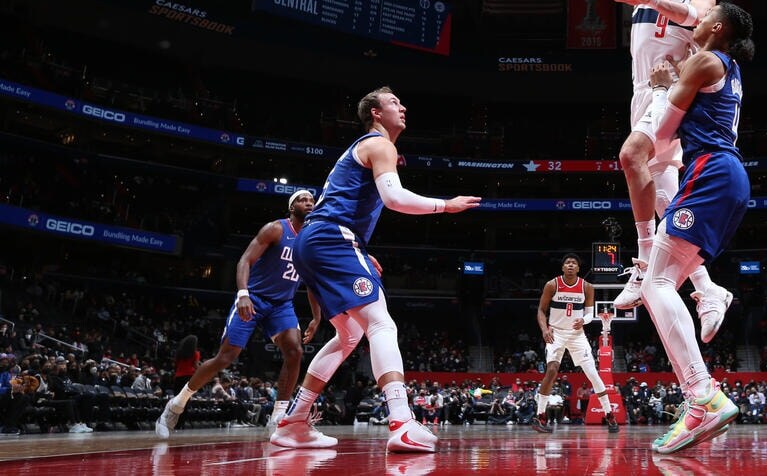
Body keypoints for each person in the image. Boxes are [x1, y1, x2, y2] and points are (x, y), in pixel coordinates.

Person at [269, 86, 480, 454]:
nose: (403, 106)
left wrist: (360, 252)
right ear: (376, 113)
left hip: (321, 241)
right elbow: (394, 199)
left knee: (349, 335)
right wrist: (445, 206)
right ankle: (401, 421)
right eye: (394, 102)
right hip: (331, 238)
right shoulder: (379, 144)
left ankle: (293, 422)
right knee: (381, 323)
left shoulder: (367, 149)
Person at [601, 0, 734, 344]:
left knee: (630, 156)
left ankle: (639, 263)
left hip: (674, 98)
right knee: (666, 201)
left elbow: (700, 18)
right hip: (642, 94)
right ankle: (706, 288)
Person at [631, 2, 755, 454]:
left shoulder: (704, 59)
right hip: (724, 177)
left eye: (704, 16)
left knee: (655, 283)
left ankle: (701, 396)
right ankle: (698, 397)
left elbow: (662, 134)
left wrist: (662, 87)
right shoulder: (727, 66)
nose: (696, 20)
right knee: (659, 283)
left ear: (717, 27)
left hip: (712, 172)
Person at [156, 189, 323, 439]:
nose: (308, 203)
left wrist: (317, 316)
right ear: (291, 207)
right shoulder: (275, 229)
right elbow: (244, 260)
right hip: (254, 297)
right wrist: (243, 294)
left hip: (282, 305)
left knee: (295, 351)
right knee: (226, 357)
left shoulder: (310, 241)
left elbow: (312, 282)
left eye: (311, 200)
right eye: (302, 199)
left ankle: (278, 415)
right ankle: (177, 403)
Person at [531, 253, 619, 434]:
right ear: (563, 267)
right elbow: (541, 310)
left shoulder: (586, 287)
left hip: (577, 335)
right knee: (552, 370)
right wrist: (544, 330)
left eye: (574, 263)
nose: (570, 265)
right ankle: (540, 416)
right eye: (567, 263)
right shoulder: (552, 285)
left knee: (593, 375)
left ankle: (609, 415)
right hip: (556, 332)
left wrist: (584, 322)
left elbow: (589, 313)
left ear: (578, 268)